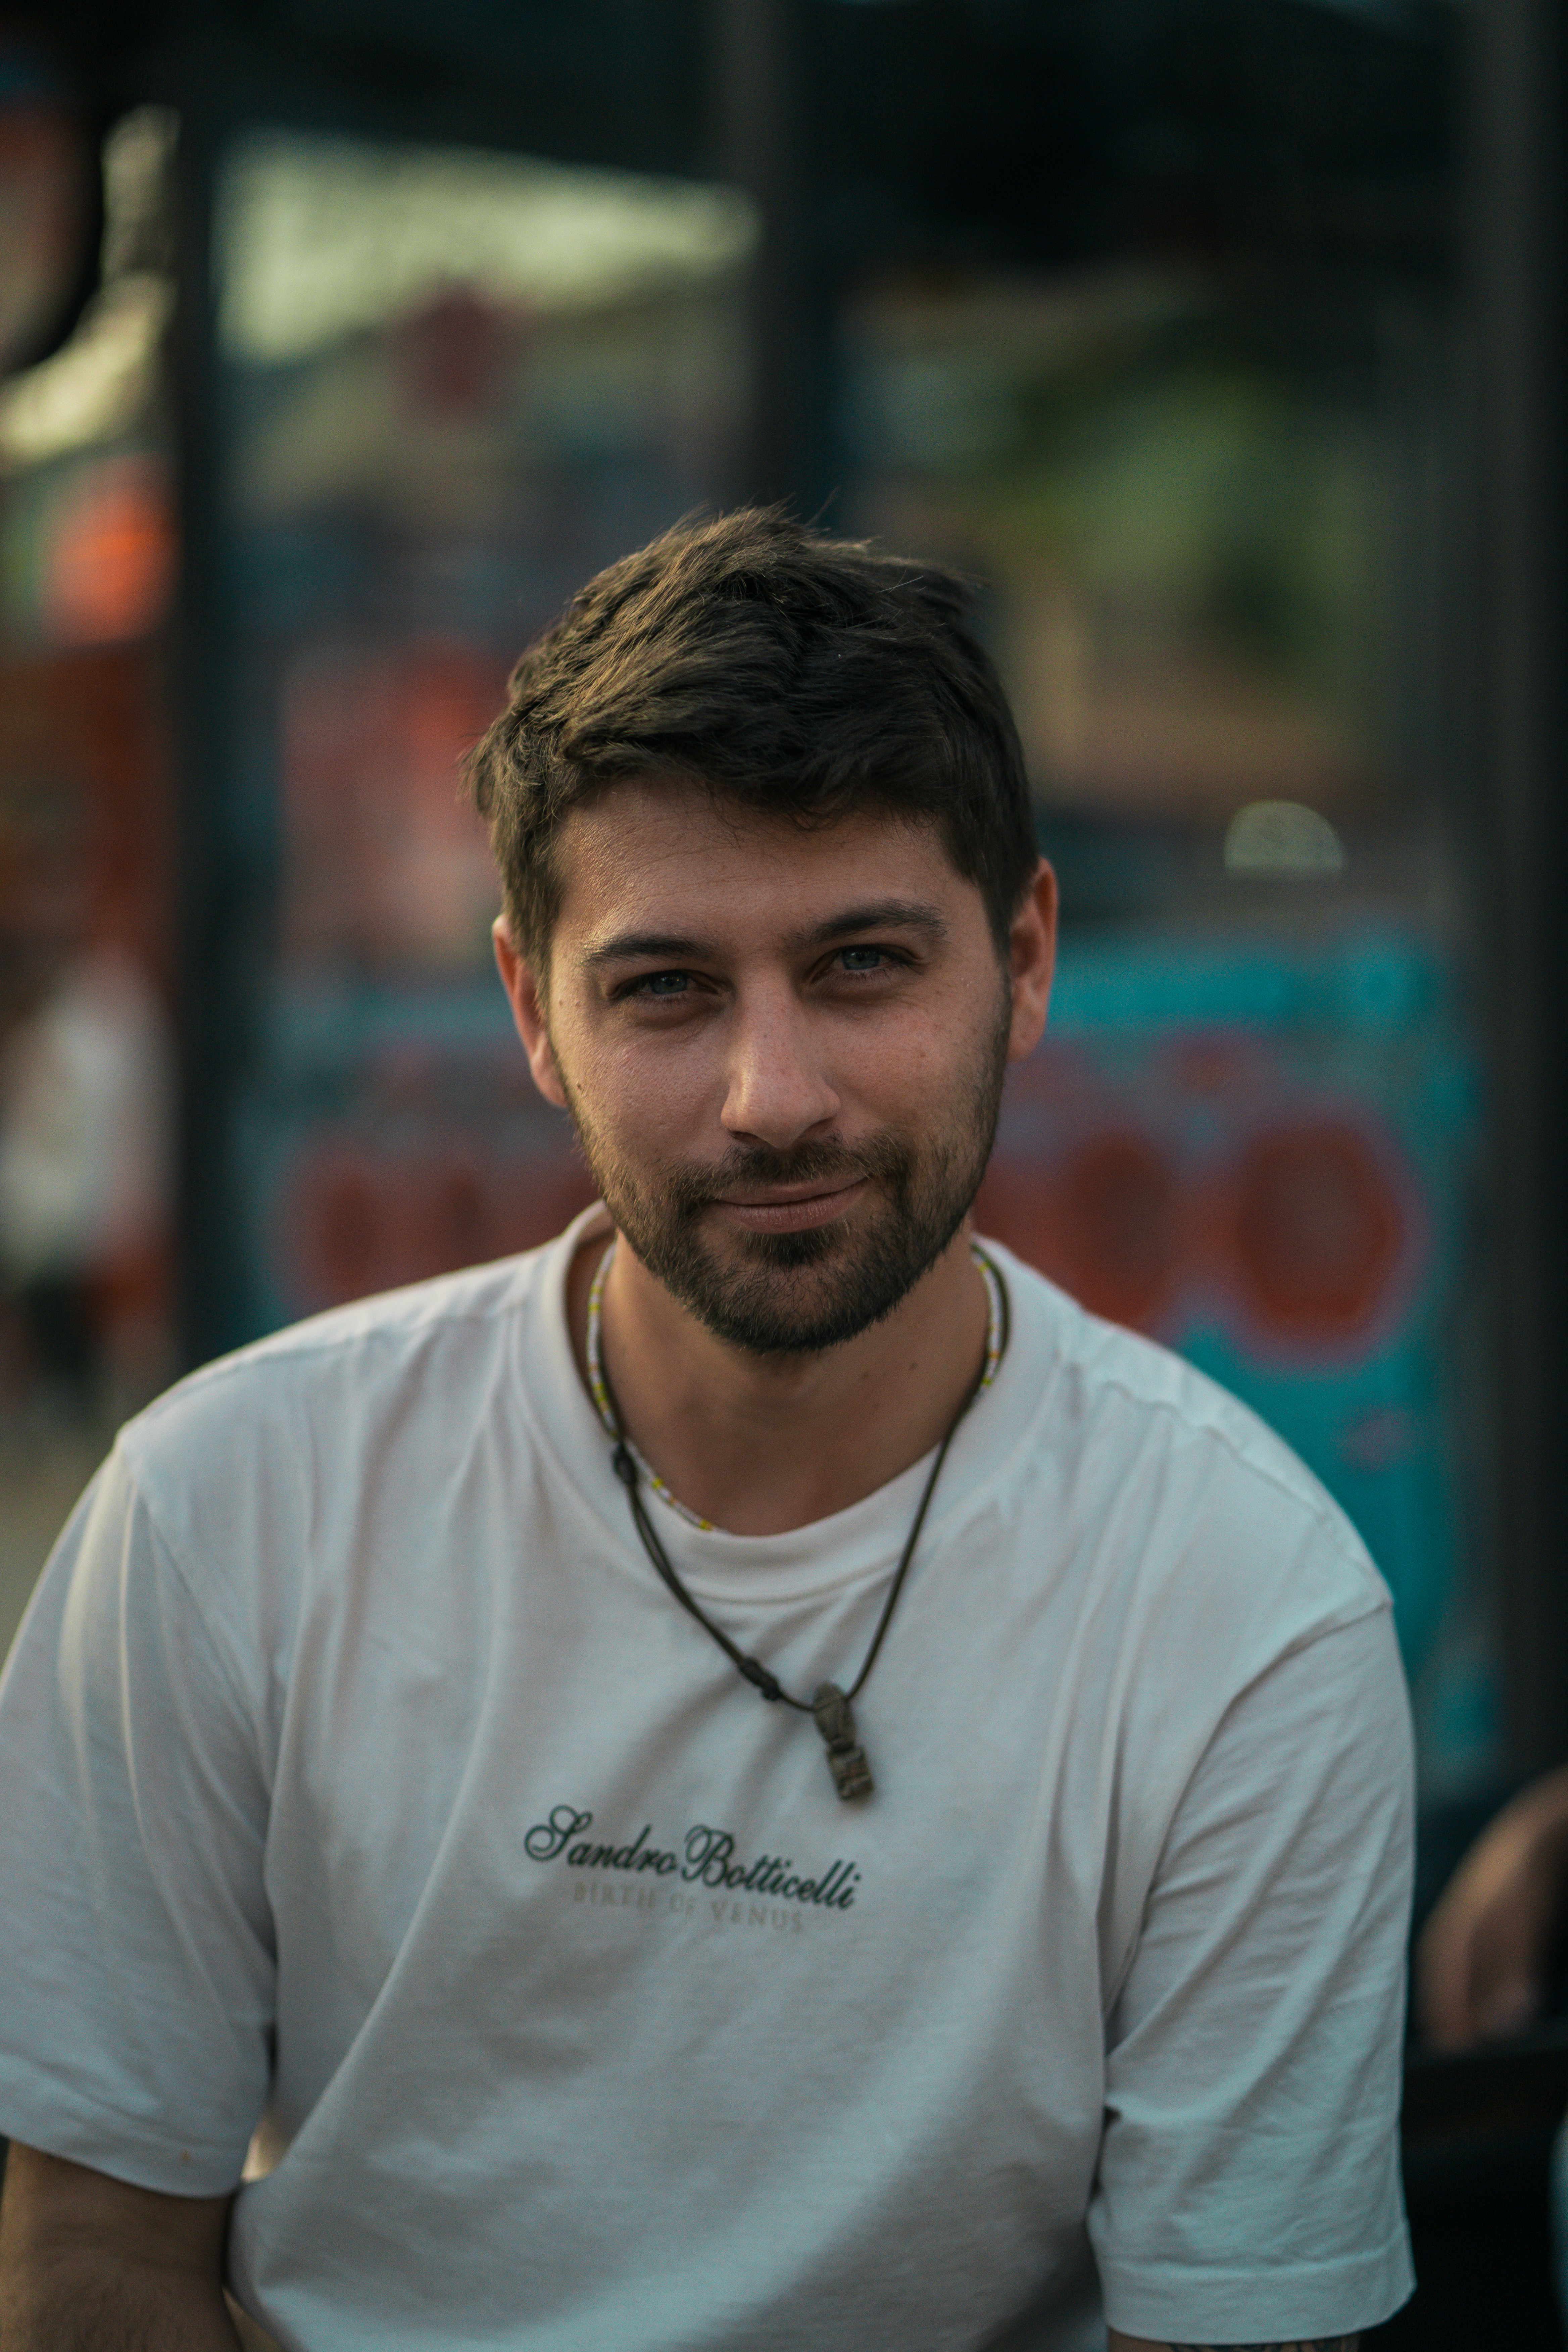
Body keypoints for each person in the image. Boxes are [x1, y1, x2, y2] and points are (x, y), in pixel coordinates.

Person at [0, 509, 1413, 2352]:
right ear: (529, 1006)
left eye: (862, 968)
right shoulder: (225, 1510)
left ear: (1029, 956)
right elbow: (92, 2267)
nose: (774, 1098)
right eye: (667, 988)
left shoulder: (1247, 1615)